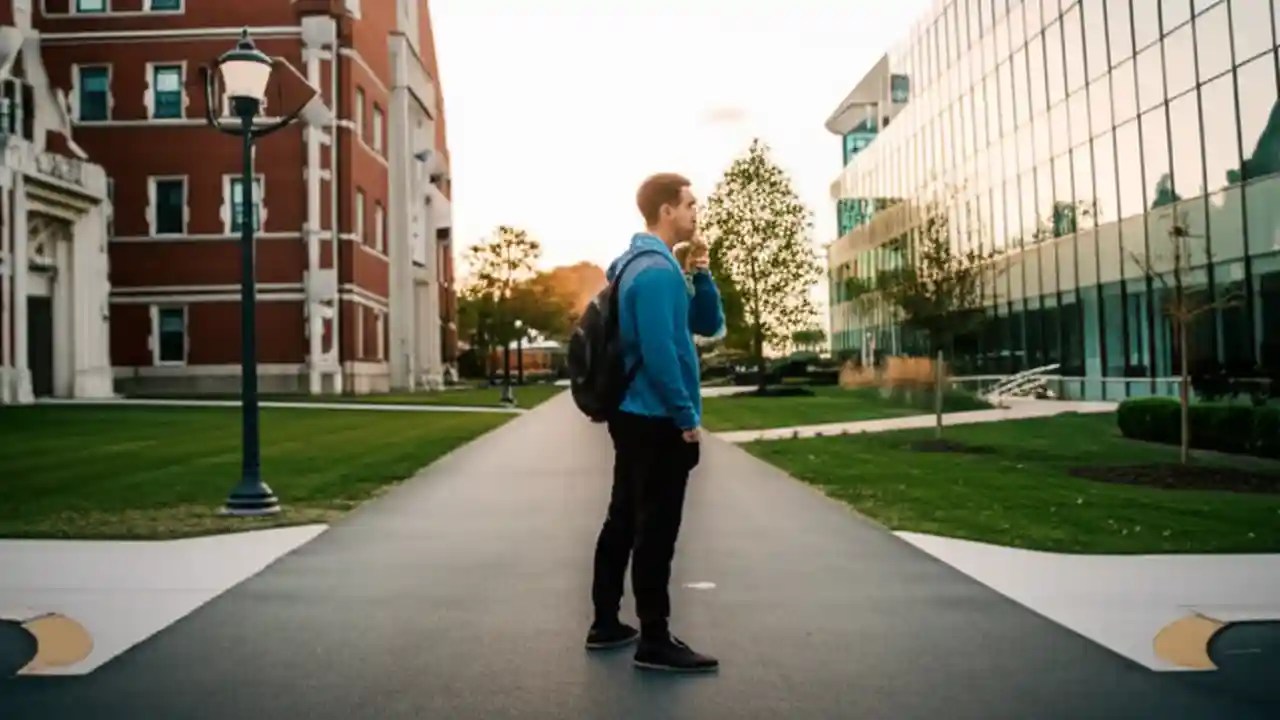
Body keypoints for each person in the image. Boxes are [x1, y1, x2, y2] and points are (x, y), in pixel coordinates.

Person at [586, 173, 724, 673]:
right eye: (689, 204)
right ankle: (655, 639)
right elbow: (663, 355)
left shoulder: (645, 268)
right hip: (656, 420)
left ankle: (606, 623)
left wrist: (702, 272)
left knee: (624, 517)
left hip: (636, 415)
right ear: (666, 210)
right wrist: (687, 418)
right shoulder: (656, 274)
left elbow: (706, 325)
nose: (695, 211)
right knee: (655, 530)